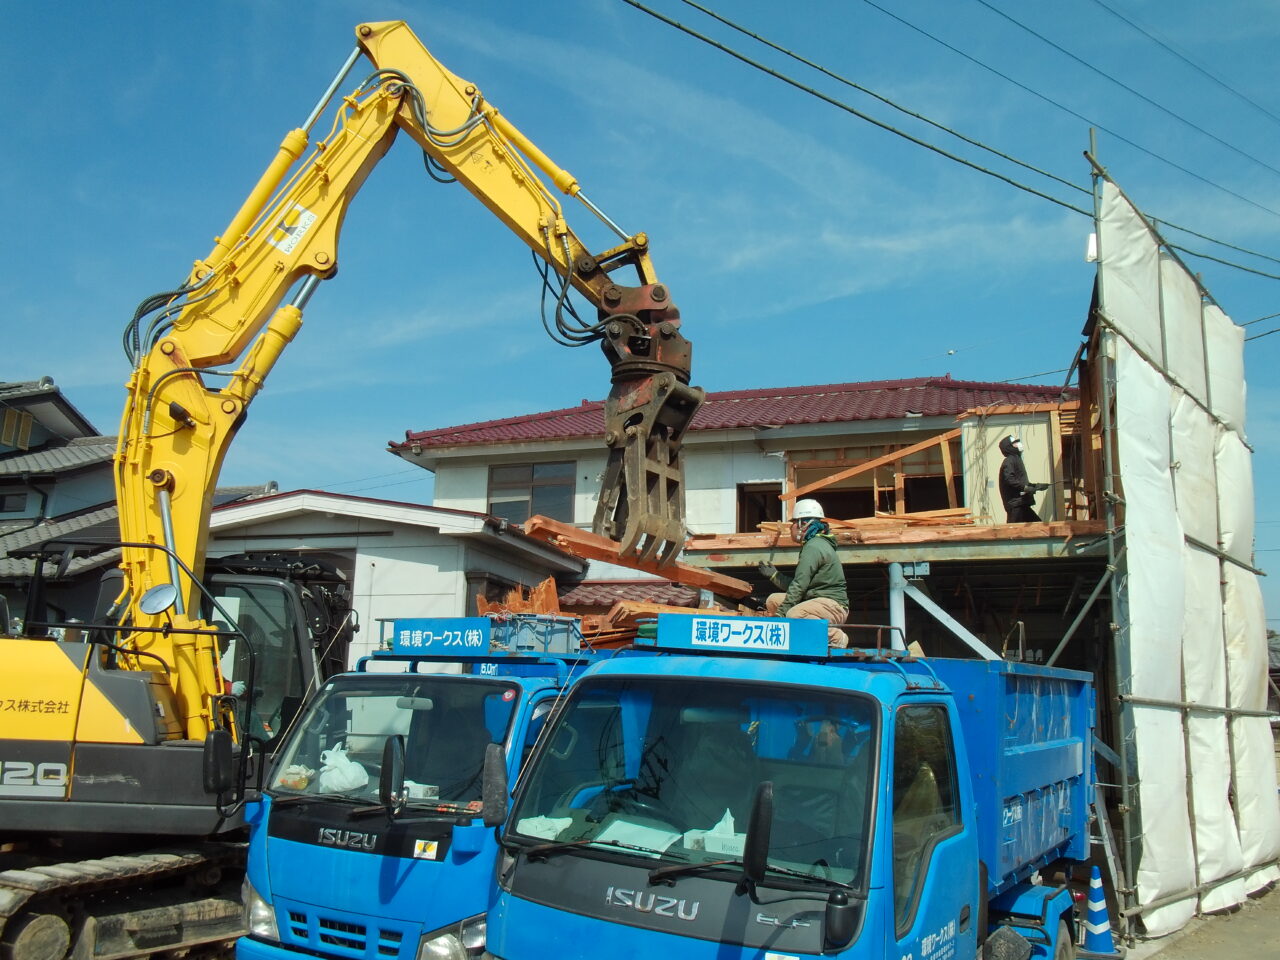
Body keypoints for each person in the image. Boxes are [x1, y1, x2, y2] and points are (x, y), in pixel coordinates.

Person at [758, 498, 850, 647]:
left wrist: (781, 616)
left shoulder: (813, 547)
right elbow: (800, 586)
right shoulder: (815, 544)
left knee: (794, 614)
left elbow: (799, 586)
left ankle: (835, 637)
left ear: (804, 525)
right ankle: (802, 636)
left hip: (833, 606)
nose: (790, 528)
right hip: (816, 601)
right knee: (773, 600)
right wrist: (775, 576)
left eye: (793, 523)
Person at [998, 434, 1049, 523]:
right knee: (1013, 532)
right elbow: (1009, 480)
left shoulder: (1016, 459)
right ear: (1009, 447)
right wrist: (1026, 488)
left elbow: (1021, 482)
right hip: (1016, 505)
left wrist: (1036, 486)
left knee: (1037, 525)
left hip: (1022, 504)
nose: (1019, 444)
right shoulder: (1009, 461)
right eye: (1015, 443)